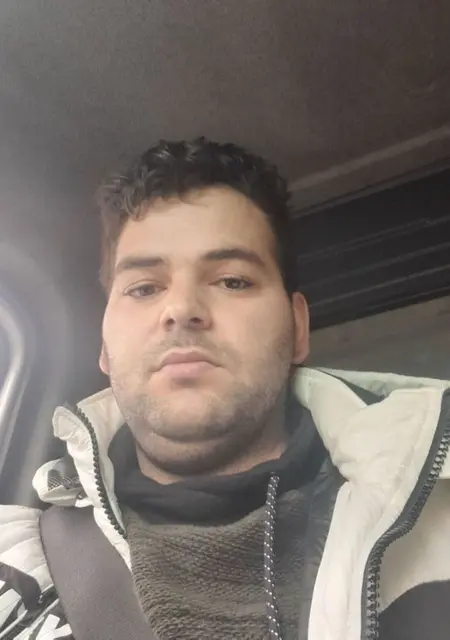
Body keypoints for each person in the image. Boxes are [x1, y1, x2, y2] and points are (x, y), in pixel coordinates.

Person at [0, 138, 449, 640]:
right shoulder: (16, 566)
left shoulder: (437, 525)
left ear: (298, 328)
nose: (181, 309)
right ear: (103, 346)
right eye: (144, 288)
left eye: (232, 281)